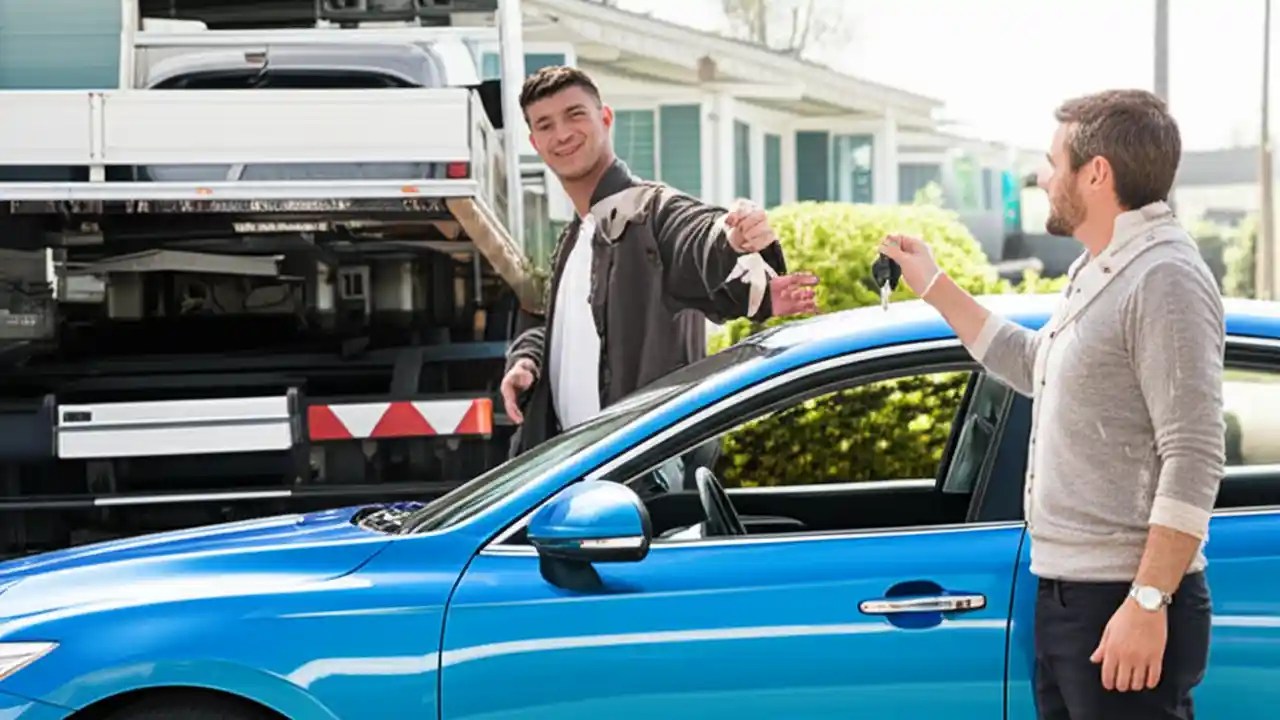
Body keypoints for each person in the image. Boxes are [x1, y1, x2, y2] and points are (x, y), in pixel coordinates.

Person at [879, 89, 1223, 719]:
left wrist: (1148, 601)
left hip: (1121, 602)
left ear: (1097, 174)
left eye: (1051, 161)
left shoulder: (1164, 277)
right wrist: (932, 284)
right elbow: (1036, 365)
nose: (1041, 176)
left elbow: (1195, 451)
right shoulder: (1100, 271)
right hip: (1071, 595)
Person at [500, 65, 818, 459]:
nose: (561, 134)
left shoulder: (651, 212)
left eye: (575, 115)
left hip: (642, 480)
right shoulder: (575, 237)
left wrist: (732, 236)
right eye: (545, 125)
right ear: (534, 141)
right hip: (573, 479)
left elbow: (698, 233)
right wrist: (527, 360)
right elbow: (565, 333)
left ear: (606, 118)